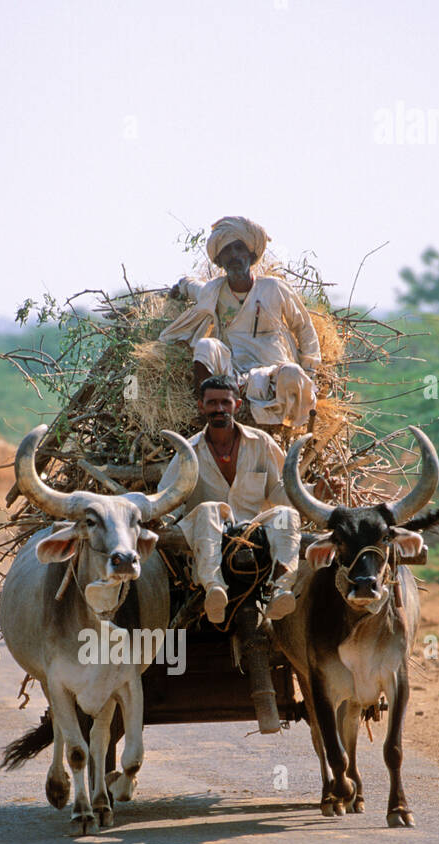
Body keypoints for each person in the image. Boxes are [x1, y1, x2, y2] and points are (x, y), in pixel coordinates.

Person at [158, 375, 301, 625]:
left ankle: (280, 588)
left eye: (225, 402)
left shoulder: (261, 444)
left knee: (287, 515)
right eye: (212, 403)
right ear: (201, 406)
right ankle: (214, 587)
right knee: (211, 509)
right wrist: (158, 523)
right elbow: (168, 497)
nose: (219, 409)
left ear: (237, 404)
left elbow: (279, 493)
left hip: (255, 534)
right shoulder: (189, 452)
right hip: (207, 537)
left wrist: (314, 492)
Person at [160, 215, 320, 429]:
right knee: (206, 346)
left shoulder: (273, 288)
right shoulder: (214, 291)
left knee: (292, 373)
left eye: (239, 248)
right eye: (227, 251)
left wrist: (309, 370)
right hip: (233, 375)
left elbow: (304, 327)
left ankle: (279, 422)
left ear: (250, 254)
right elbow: (193, 287)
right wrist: (181, 286)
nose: (234, 256)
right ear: (220, 260)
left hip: (274, 372)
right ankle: (208, 411)